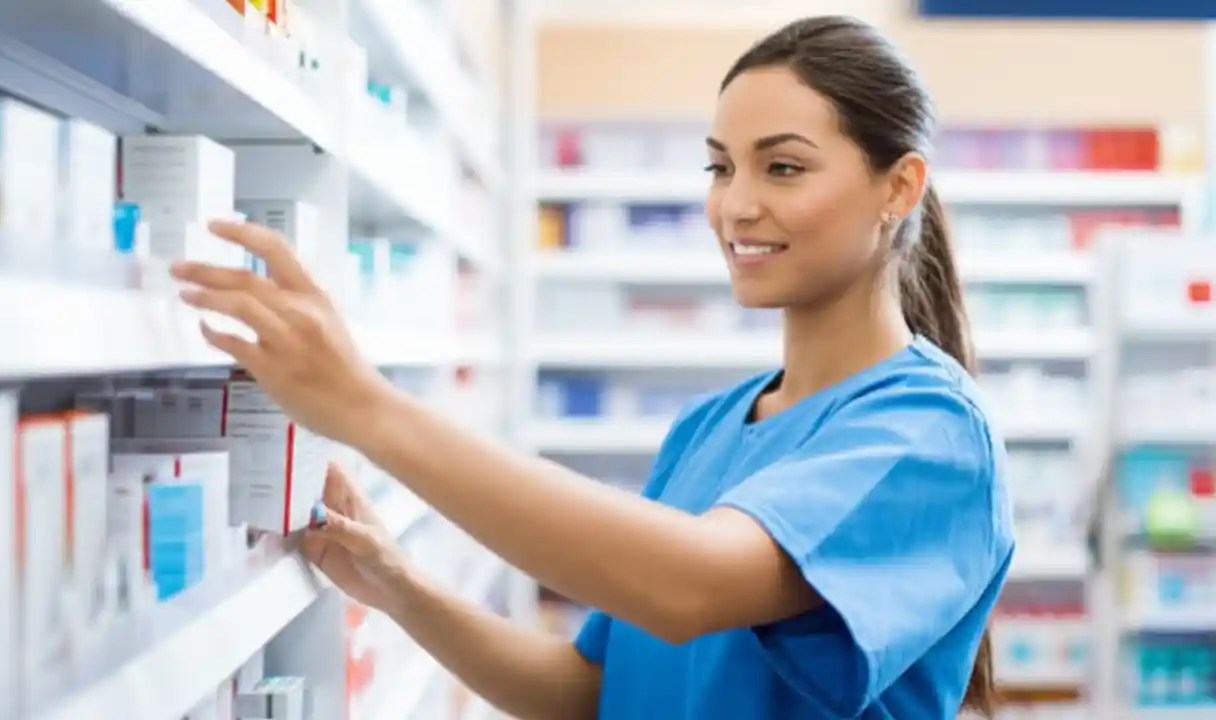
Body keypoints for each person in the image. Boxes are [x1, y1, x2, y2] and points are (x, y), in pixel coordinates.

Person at [171, 14, 1013, 720]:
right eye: (720, 166)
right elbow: (589, 694)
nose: (736, 204)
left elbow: (686, 586)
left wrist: (363, 407)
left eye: (782, 166)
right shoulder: (710, 428)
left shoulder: (931, 434)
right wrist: (397, 585)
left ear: (898, 188)